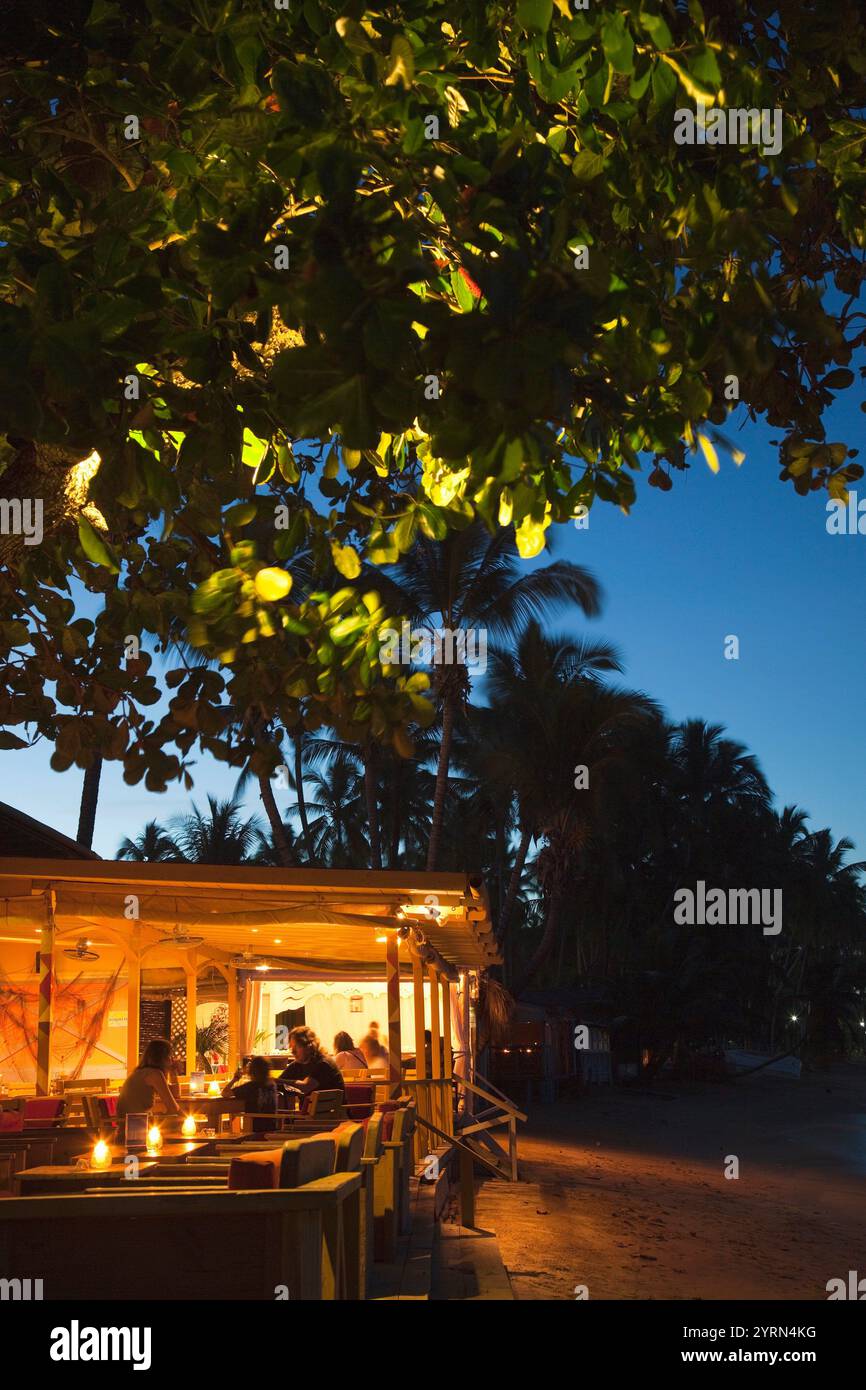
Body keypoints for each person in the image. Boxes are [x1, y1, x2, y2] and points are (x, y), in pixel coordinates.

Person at [116, 1038, 182, 1122]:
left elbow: (175, 1094)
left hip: (132, 1122)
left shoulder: (143, 1072)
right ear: (163, 1057)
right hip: (135, 1126)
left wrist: (173, 1072)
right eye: (170, 1055)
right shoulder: (154, 1074)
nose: (172, 1059)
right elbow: (173, 1108)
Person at [278, 1026, 345, 1098]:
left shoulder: (323, 1063)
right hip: (312, 1108)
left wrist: (274, 1081)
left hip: (333, 1109)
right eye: (291, 1047)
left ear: (309, 1046)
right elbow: (277, 1084)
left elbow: (305, 1087)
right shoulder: (297, 1065)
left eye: (296, 1046)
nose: (293, 1052)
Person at [222, 1056, 279, 1134]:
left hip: (254, 1130)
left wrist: (235, 1079)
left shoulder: (251, 1086)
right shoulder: (272, 1085)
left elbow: (225, 1093)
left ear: (252, 1071)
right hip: (272, 1129)